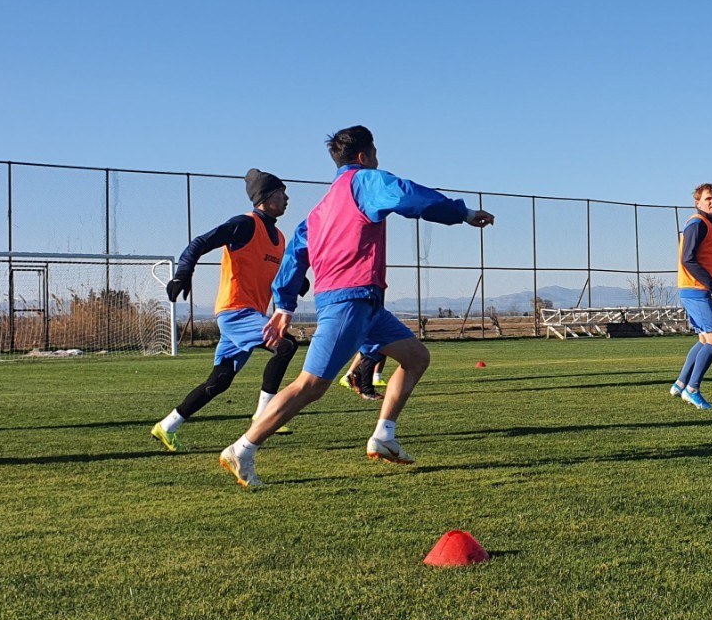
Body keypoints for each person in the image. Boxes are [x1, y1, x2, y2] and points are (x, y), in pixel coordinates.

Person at [217, 126, 494, 488]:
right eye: (375, 154)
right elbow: (409, 195)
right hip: (349, 302)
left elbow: (294, 256)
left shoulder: (318, 212)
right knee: (311, 385)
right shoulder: (365, 182)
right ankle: (243, 448)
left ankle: (383, 435)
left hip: (367, 305)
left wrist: (284, 304)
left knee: (416, 358)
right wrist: (463, 212)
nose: (378, 160)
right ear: (364, 156)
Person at [150, 169, 299, 451]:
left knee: (219, 381)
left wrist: (297, 280)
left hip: (251, 315)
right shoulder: (244, 224)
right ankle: (265, 414)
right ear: (266, 197)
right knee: (286, 345)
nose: (287, 198)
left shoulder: (278, 237)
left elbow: (280, 272)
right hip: (235, 312)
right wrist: (183, 273)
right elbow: (199, 243)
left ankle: (167, 425)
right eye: (281, 192)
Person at [668, 183, 712, 410]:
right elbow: (688, 260)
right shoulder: (697, 224)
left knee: (704, 340)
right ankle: (692, 390)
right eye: (708, 198)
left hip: (694, 289)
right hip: (695, 290)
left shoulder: (709, 225)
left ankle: (680, 383)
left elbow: (704, 262)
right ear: (698, 201)